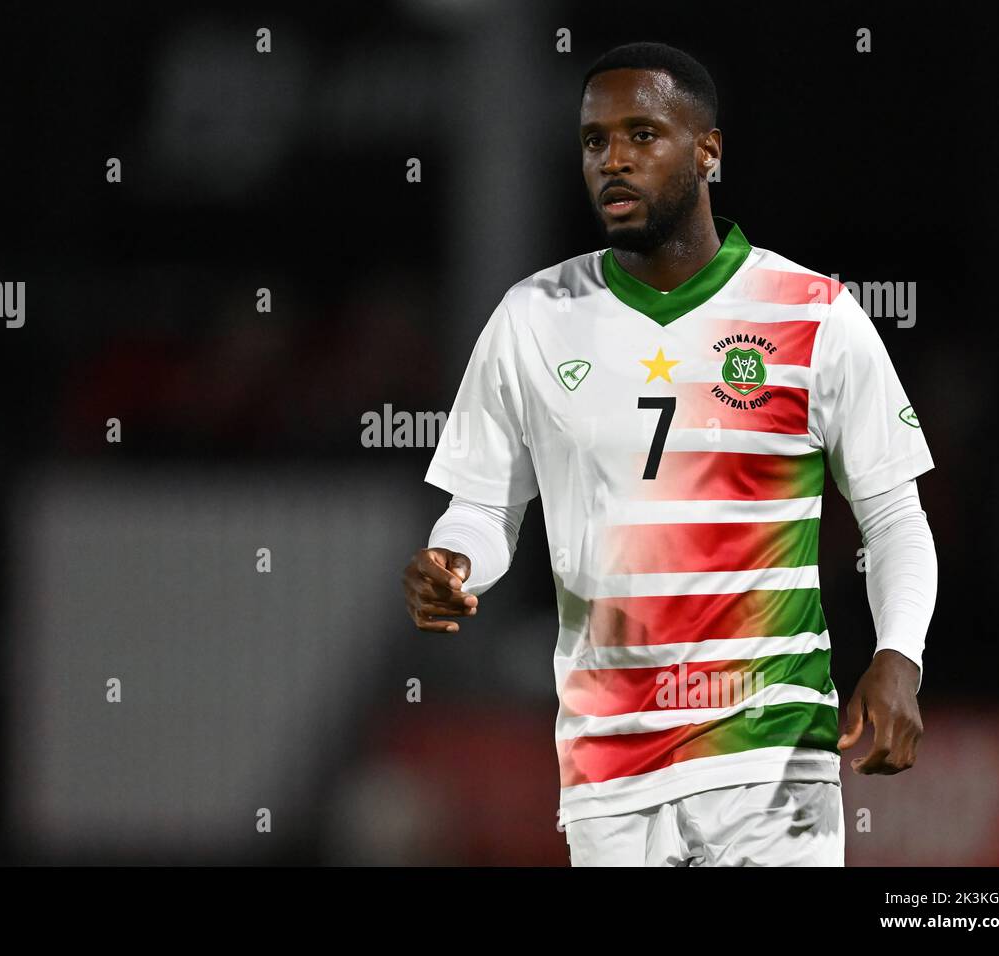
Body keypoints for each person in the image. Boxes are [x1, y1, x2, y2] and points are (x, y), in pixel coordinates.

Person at [401, 41, 938, 866]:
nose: (613, 159)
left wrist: (899, 655)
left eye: (643, 135)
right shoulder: (532, 317)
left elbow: (894, 513)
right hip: (607, 766)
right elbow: (485, 508)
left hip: (774, 754)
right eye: (593, 141)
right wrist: (454, 560)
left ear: (708, 152)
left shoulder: (815, 314)